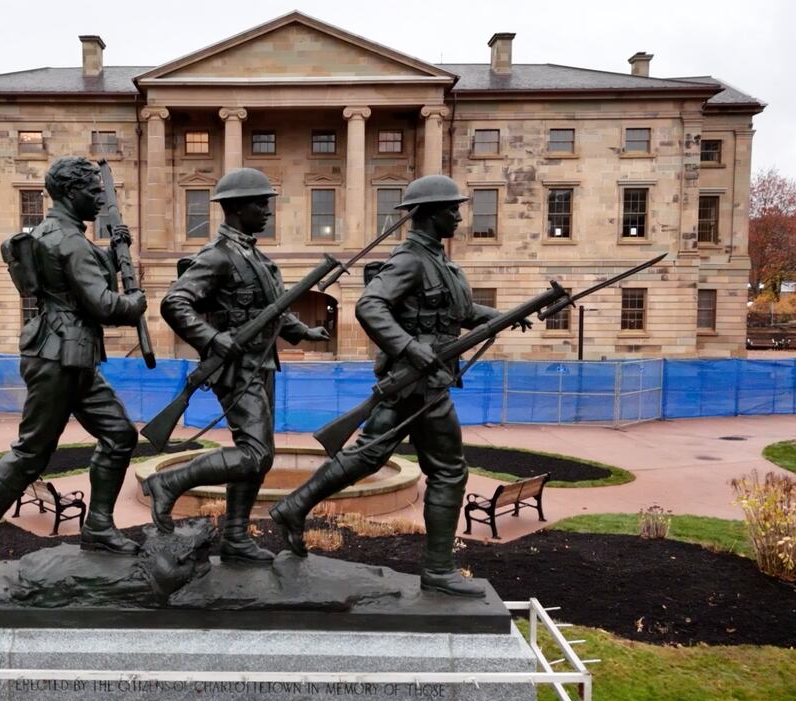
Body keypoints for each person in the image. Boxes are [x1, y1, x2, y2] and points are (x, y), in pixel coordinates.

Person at [268, 174, 529, 596]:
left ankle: (294, 507)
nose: (459, 217)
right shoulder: (409, 260)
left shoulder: (440, 262)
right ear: (427, 215)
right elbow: (370, 305)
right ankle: (438, 570)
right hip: (417, 381)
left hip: (426, 379)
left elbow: (455, 311)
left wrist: (499, 315)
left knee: (369, 455)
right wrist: (408, 347)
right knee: (446, 470)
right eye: (451, 209)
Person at [0, 157, 147, 591]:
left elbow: (75, 281)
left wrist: (115, 256)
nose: (100, 197)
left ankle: (97, 526)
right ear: (71, 191)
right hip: (59, 359)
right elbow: (101, 304)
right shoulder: (70, 242)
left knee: (119, 434)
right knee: (30, 455)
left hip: (73, 357)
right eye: (93, 190)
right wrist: (134, 303)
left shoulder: (55, 234)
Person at [142, 168, 329, 564]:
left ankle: (235, 536)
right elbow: (175, 302)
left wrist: (303, 332)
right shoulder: (218, 255)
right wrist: (211, 338)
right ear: (237, 207)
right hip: (236, 366)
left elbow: (270, 312)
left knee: (259, 456)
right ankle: (169, 481)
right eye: (260, 203)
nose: (267, 210)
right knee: (256, 454)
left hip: (262, 363)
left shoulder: (255, 256)